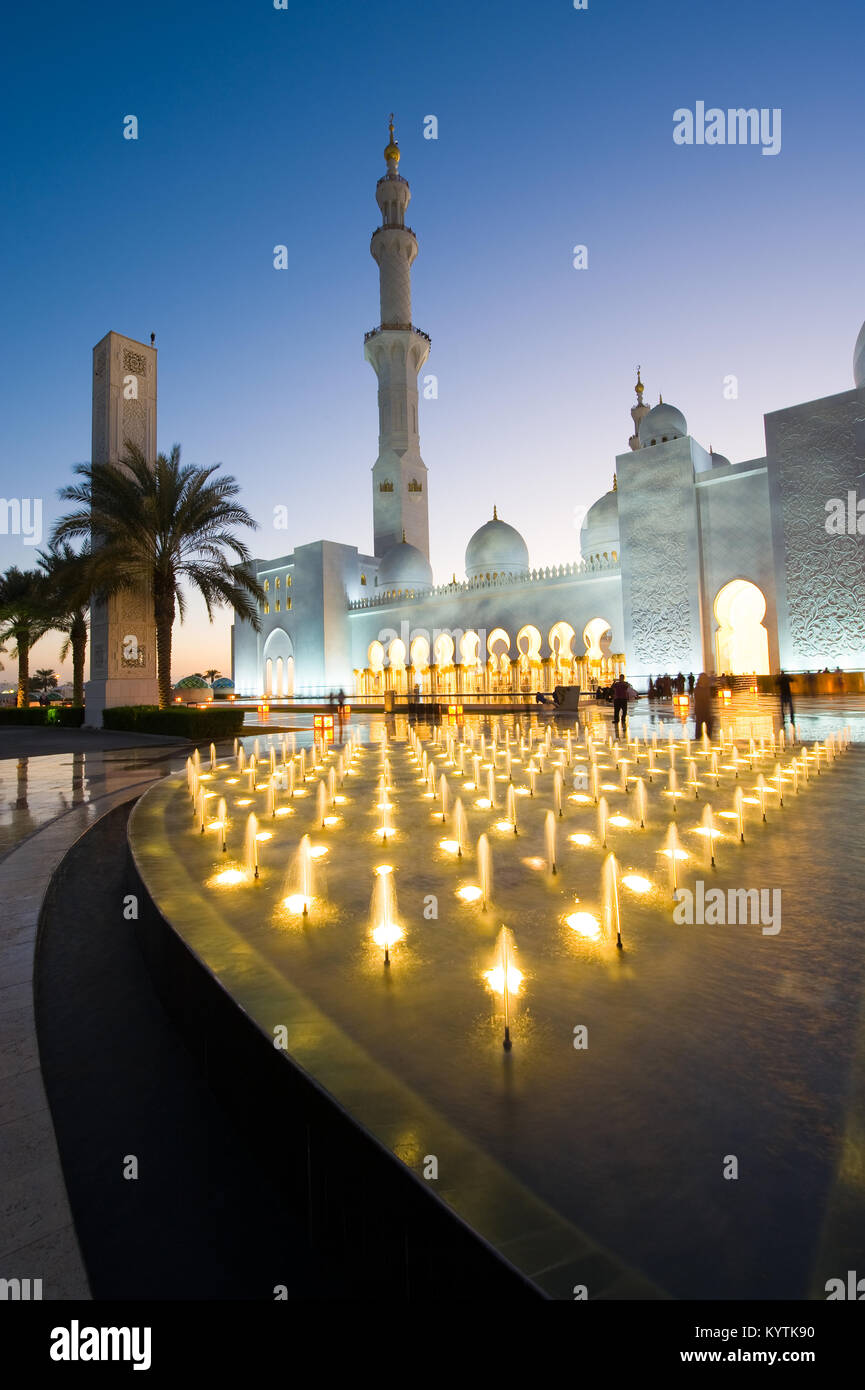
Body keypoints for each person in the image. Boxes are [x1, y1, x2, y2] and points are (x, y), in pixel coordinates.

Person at [693, 672, 715, 741]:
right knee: (702, 731)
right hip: (703, 711)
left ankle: (703, 740)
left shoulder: (699, 689)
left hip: (702, 712)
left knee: (702, 730)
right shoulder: (702, 689)